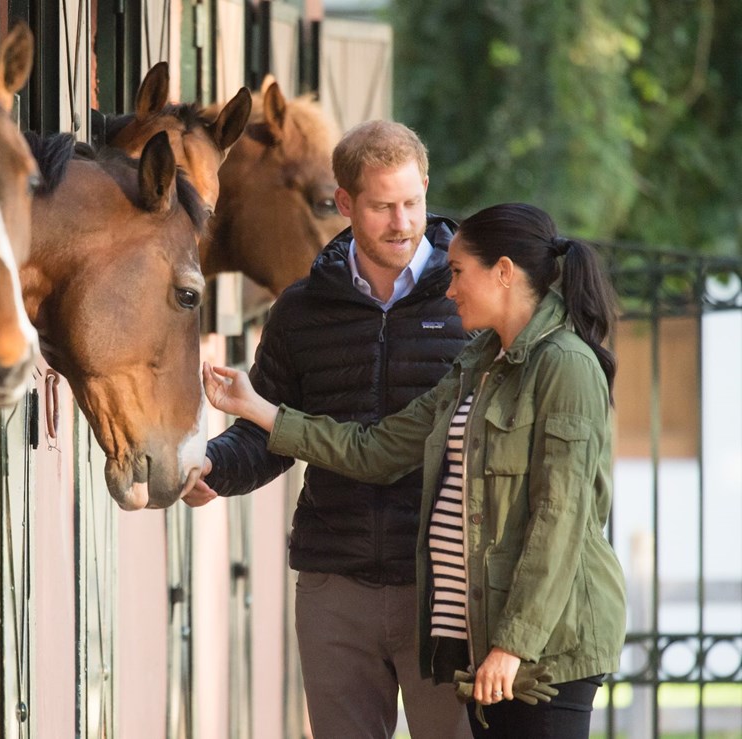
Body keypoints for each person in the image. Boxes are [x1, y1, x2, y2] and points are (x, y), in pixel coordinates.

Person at [201, 202, 628, 739]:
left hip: (544, 649)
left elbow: (559, 519)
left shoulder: (564, 364)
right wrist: (258, 409)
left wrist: (513, 645)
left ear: (503, 271)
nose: (448, 291)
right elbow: (377, 449)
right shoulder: (478, 364)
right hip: (488, 644)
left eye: (456, 273)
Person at [184, 120, 472, 738]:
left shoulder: (468, 300)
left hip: (445, 588)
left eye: (412, 203)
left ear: (426, 186)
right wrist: (216, 465)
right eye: (381, 208)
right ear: (344, 204)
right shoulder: (301, 309)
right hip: (334, 585)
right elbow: (267, 425)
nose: (401, 223)